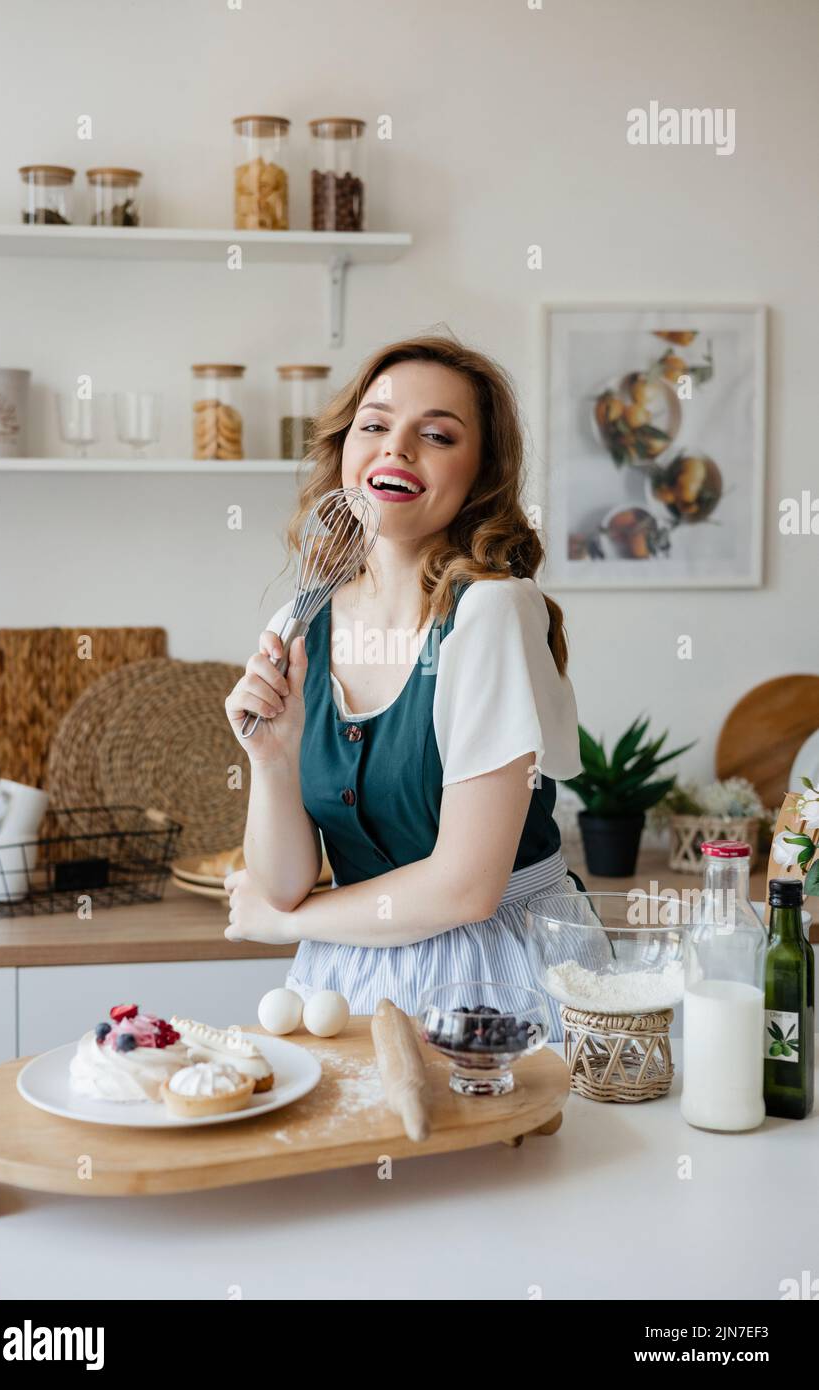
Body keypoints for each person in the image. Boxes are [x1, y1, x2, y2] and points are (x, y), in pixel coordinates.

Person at [224, 333, 590, 1040]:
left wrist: (282, 924)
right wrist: (271, 759)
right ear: (345, 450)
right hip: (350, 975)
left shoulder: (490, 613)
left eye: (437, 434)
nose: (396, 448)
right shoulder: (303, 623)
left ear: (480, 475)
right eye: (375, 425)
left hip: (496, 973)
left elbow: (466, 889)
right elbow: (283, 881)